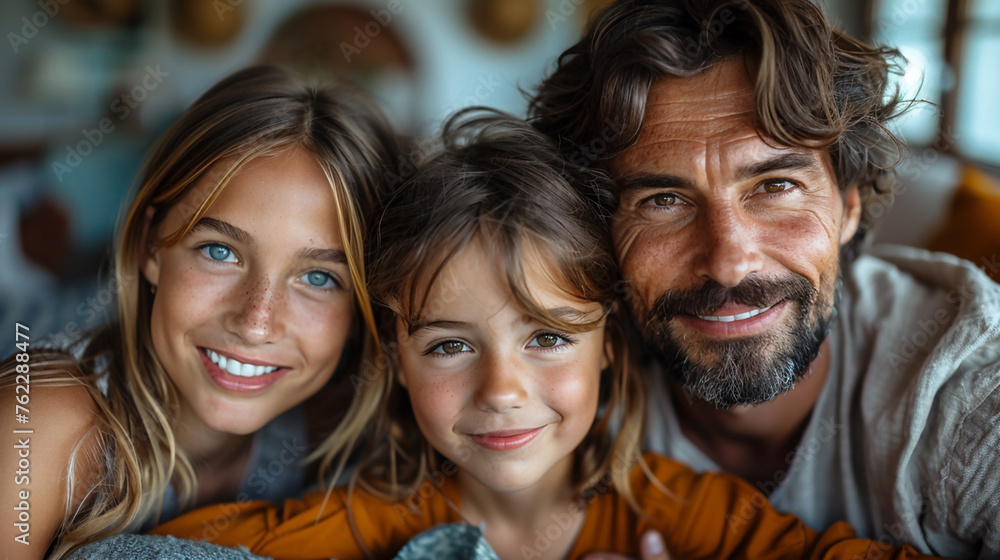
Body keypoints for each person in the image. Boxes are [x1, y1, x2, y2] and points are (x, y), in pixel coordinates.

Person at [148, 111, 937, 560]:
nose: (502, 391)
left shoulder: (680, 512)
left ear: (609, 343)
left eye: (549, 338)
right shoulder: (371, 523)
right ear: (395, 359)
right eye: (449, 345)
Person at [529, 0, 1000, 557]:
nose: (729, 261)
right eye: (663, 200)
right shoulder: (551, 376)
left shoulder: (968, 399)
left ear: (848, 206)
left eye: (775, 186)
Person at [0, 65, 400, 559]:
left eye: (319, 278)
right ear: (150, 245)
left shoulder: (333, 434)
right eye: (220, 252)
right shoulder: (49, 424)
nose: (255, 323)